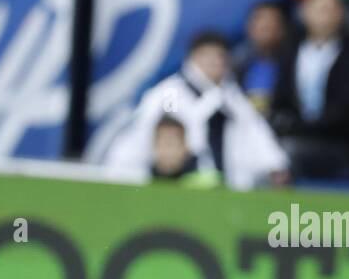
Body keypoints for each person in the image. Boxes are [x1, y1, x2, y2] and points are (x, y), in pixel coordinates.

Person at [100, 31, 289, 190]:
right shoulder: (169, 95)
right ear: (193, 58)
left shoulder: (234, 99)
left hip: (228, 187)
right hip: (174, 183)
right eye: (208, 56)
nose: (215, 63)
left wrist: (275, 164)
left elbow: (257, 133)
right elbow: (145, 133)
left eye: (220, 57)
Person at [269, 0, 349, 180]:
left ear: (341, 14)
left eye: (329, 9)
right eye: (318, 9)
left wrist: (305, 126)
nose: (324, 16)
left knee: (288, 152)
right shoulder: (291, 49)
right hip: (293, 133)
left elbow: (347, 108)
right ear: (304, 12)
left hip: (335, 141)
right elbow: (281, 96)